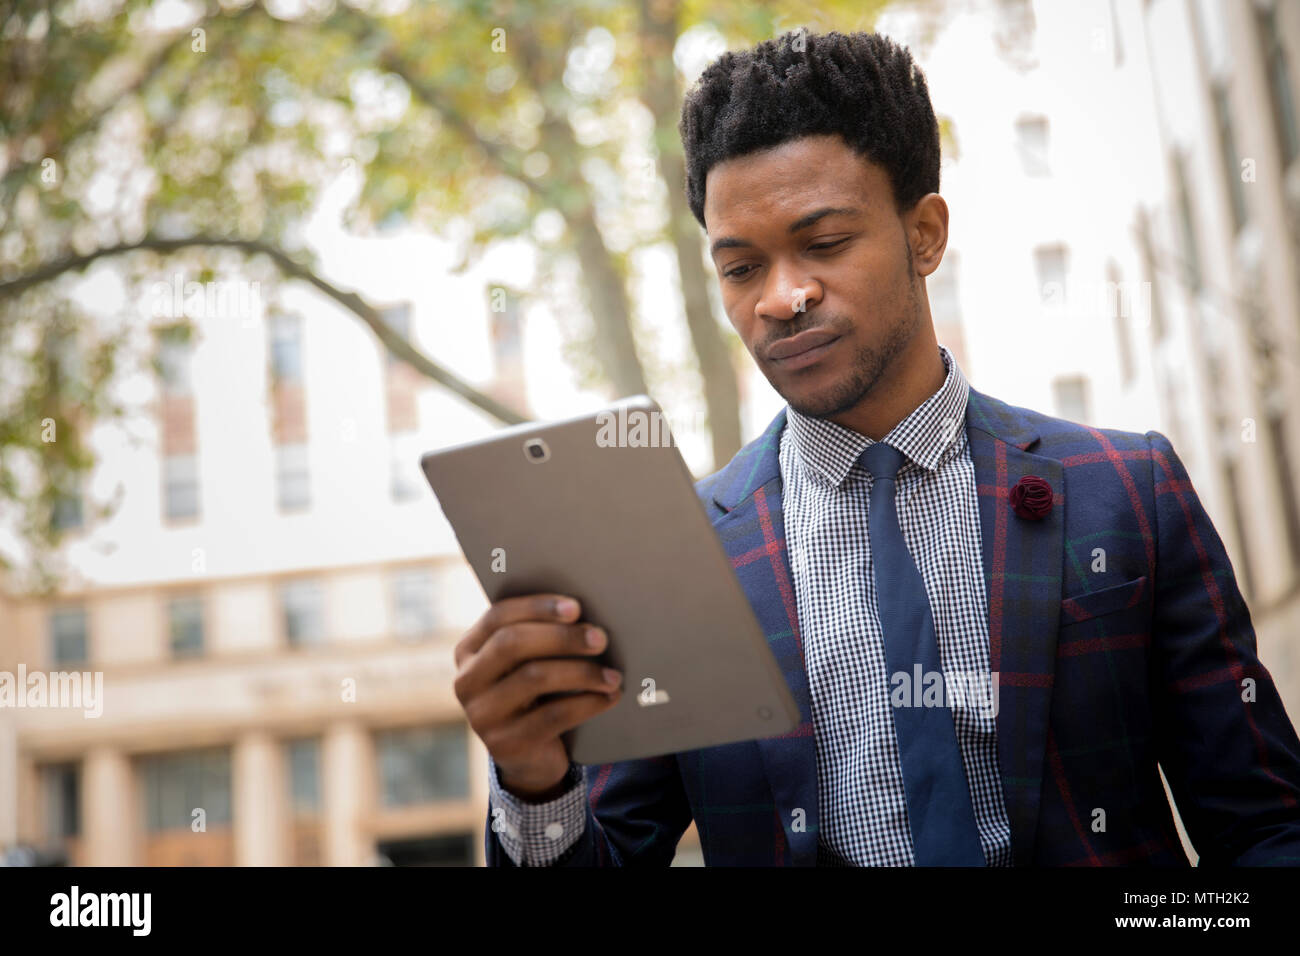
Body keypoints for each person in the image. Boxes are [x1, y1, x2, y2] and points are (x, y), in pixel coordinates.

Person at [452, 30, 1300, 866]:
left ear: (925, 234)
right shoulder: (679, 560)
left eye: (823, 244)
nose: (783, 297)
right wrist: (533, 780)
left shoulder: (1127, 490)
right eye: (741, 268)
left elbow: (1261, 826)